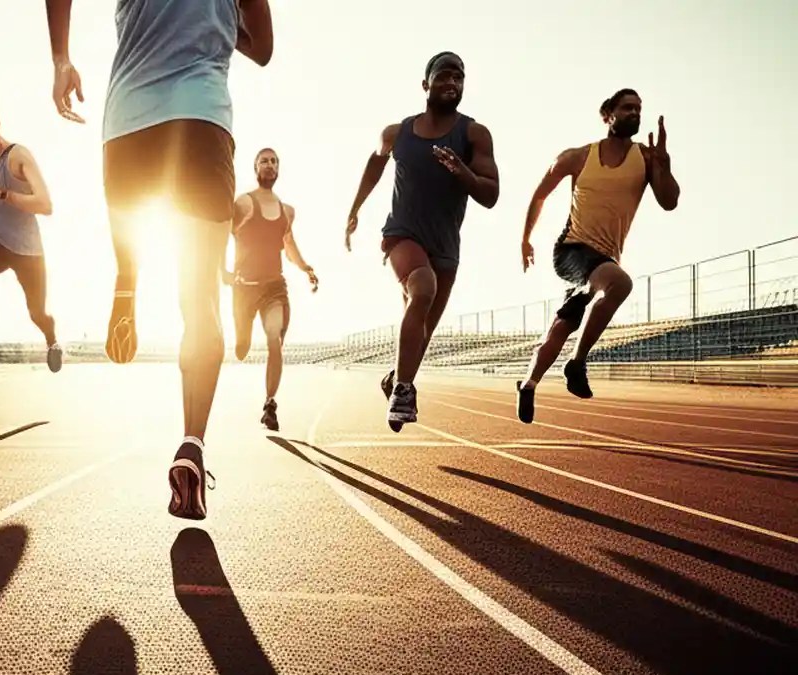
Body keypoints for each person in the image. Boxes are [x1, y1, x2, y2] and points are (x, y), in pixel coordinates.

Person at [44, 0, 274, 520]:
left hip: (127, 124)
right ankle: (192, 443)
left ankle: (127, 277)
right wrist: (213, 22)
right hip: (199, 118)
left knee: (136, 221)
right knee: (200, 304)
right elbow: (262, 49)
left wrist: (61, 58)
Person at [345, 51, 500, 431]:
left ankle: (394, 376)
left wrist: (462, 172)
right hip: (403, 234)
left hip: (446, 245)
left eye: (459, 78)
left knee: (425, 327)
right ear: (425, 84)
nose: (453, 83)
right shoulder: (398, 133)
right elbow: (375, 163)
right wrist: (354, 210)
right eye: (445, 76)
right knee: (423, 288)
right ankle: (403, 390)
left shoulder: (474, 134)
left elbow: (491, 194)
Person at [516, 89, 680, 423]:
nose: (634, 112)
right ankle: (576, 363)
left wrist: (664, 167)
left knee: (562, 326)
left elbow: (669, 201)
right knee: (620, 284)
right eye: (627, 107)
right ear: (608, 114)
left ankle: (529, 383)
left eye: (639, 108)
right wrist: (526, 239)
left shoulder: (647, 159)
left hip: (602, 262)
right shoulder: (577, 157)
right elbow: (540, 194)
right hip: (571, 251)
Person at [0, 94, 62, 375]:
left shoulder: (19, 155)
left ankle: (52, 341)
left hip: (28, 248)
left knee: (37, 313)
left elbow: (46, 205)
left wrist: (3, 195)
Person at [225, 148, 318, 432]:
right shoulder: (242, 203)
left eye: (274, 161)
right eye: (264, 160)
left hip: (274, 287)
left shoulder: (287, 211)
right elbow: (218, 233)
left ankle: (269, 404)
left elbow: (289, 245)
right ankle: (241, 338)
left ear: (278, 169)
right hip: (244, 287)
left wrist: (306, 268)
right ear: (255, 167)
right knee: (241, 346)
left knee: (274, 339)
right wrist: (221, 272)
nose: (269, 164)